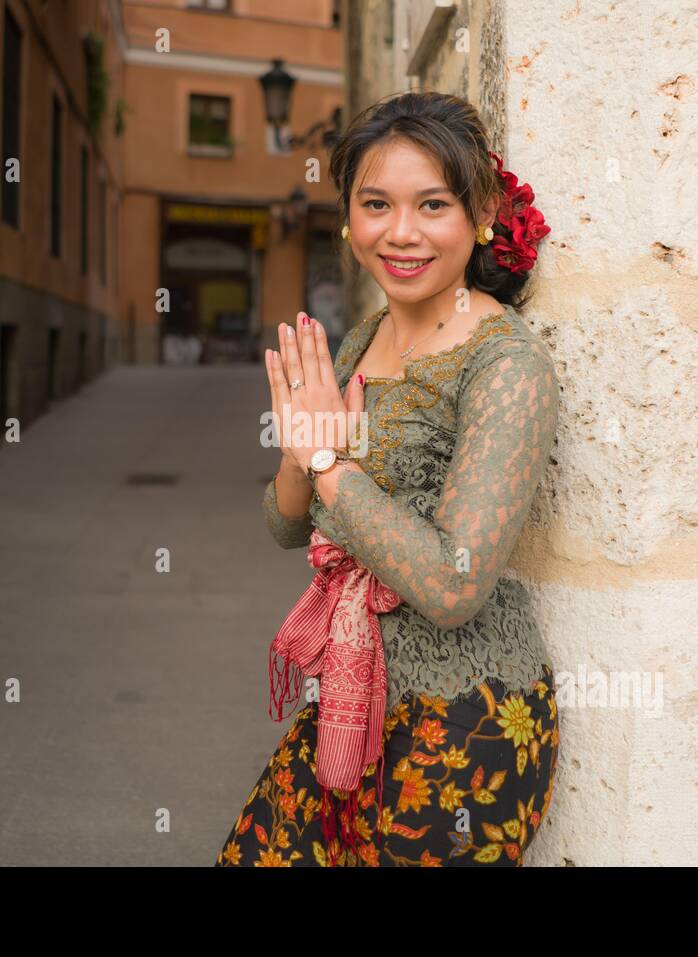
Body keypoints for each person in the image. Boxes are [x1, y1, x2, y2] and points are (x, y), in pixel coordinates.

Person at [216, 91, 561, 867]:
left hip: (465, 723)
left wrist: (330, 463)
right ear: (349, 217)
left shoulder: (507, 366)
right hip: (351, 693)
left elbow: (450, 583)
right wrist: (300, 450)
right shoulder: (365, 336)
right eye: (376, 203)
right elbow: (286, 525)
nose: (400, 232)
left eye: (431, 204)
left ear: (480, 215)